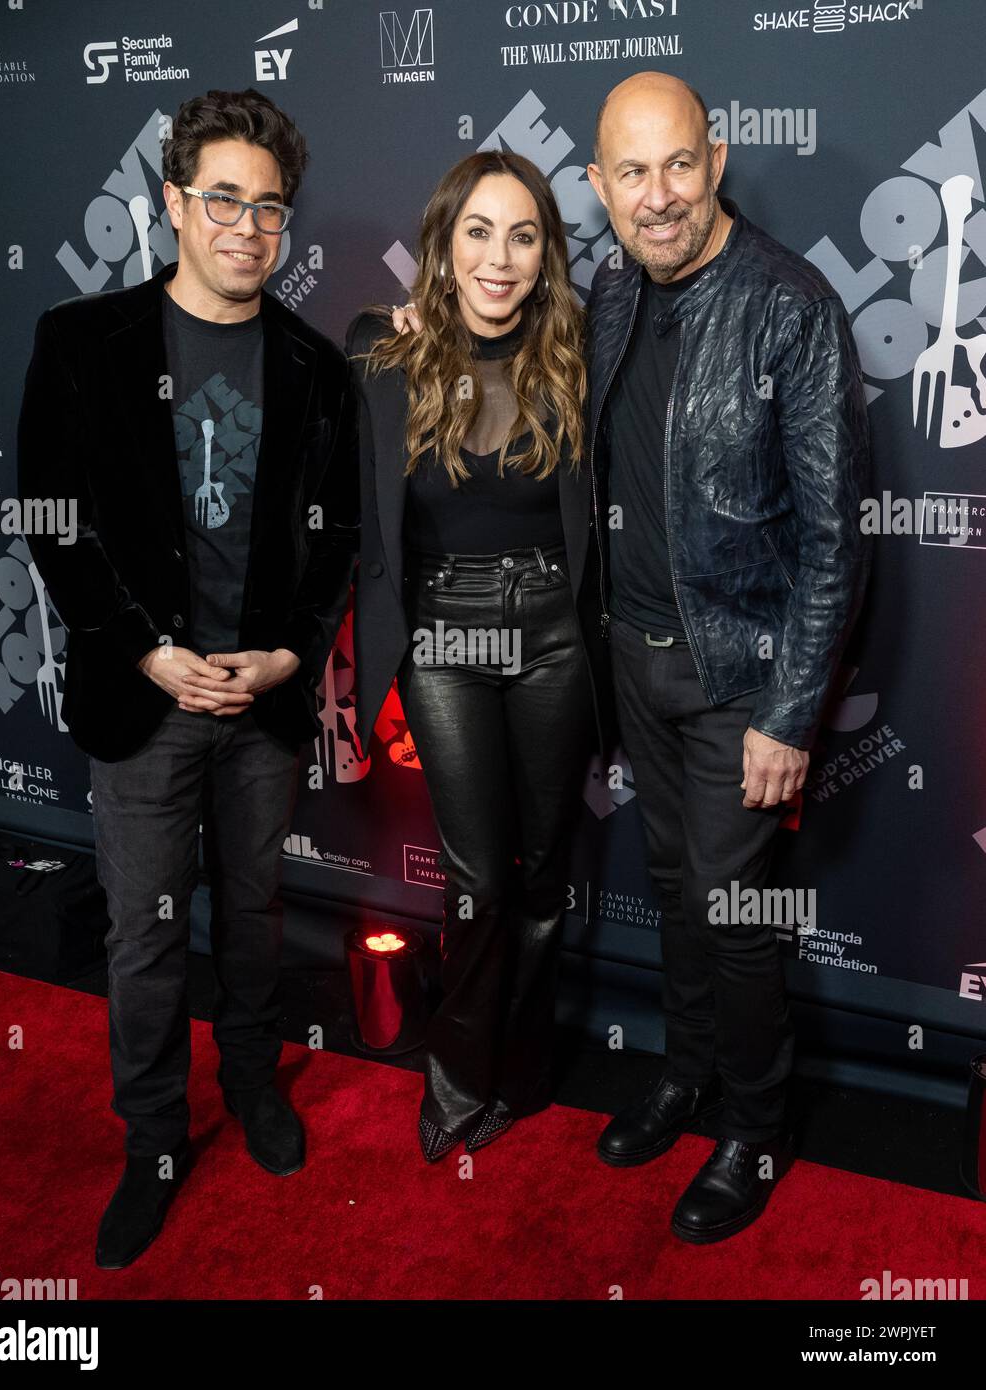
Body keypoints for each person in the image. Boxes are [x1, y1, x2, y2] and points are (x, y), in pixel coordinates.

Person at [16, 88, 358, 1268]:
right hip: (142, 699)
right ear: (172, 204)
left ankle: (256, 1084)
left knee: (253, 919)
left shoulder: (316, 364)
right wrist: (149, 653)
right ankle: (155, 1140)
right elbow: (56, 522)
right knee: (146, 938)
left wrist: (288, 655)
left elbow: (342, 540)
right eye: (223, 199)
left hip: (258, 706)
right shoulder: (83, 341)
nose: (247, 227)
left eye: (269, 208)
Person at [585, 72, 870, 1242]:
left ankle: (755, 1125)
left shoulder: (789, 305)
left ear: (716, 158)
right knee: (672, 894)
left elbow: (835, 536)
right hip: (633, 669)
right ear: (598, 186)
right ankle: (687, 1069)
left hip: (741, 680)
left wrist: (791, 713)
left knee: (732, 909)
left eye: (678, 165)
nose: (659, 198)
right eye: (631, 174)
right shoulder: (609, 295)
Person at [348, 150, 611, 1162]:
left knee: (545, 874)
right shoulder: (380, 353)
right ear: (443, 248)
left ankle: (527, 1064)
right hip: (445, 637)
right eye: (477, 233)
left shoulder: (585, 350)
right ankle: (458, 1080)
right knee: (479, 882)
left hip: (553, 629)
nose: (499, 258)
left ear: (546, 255)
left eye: (523, 235)